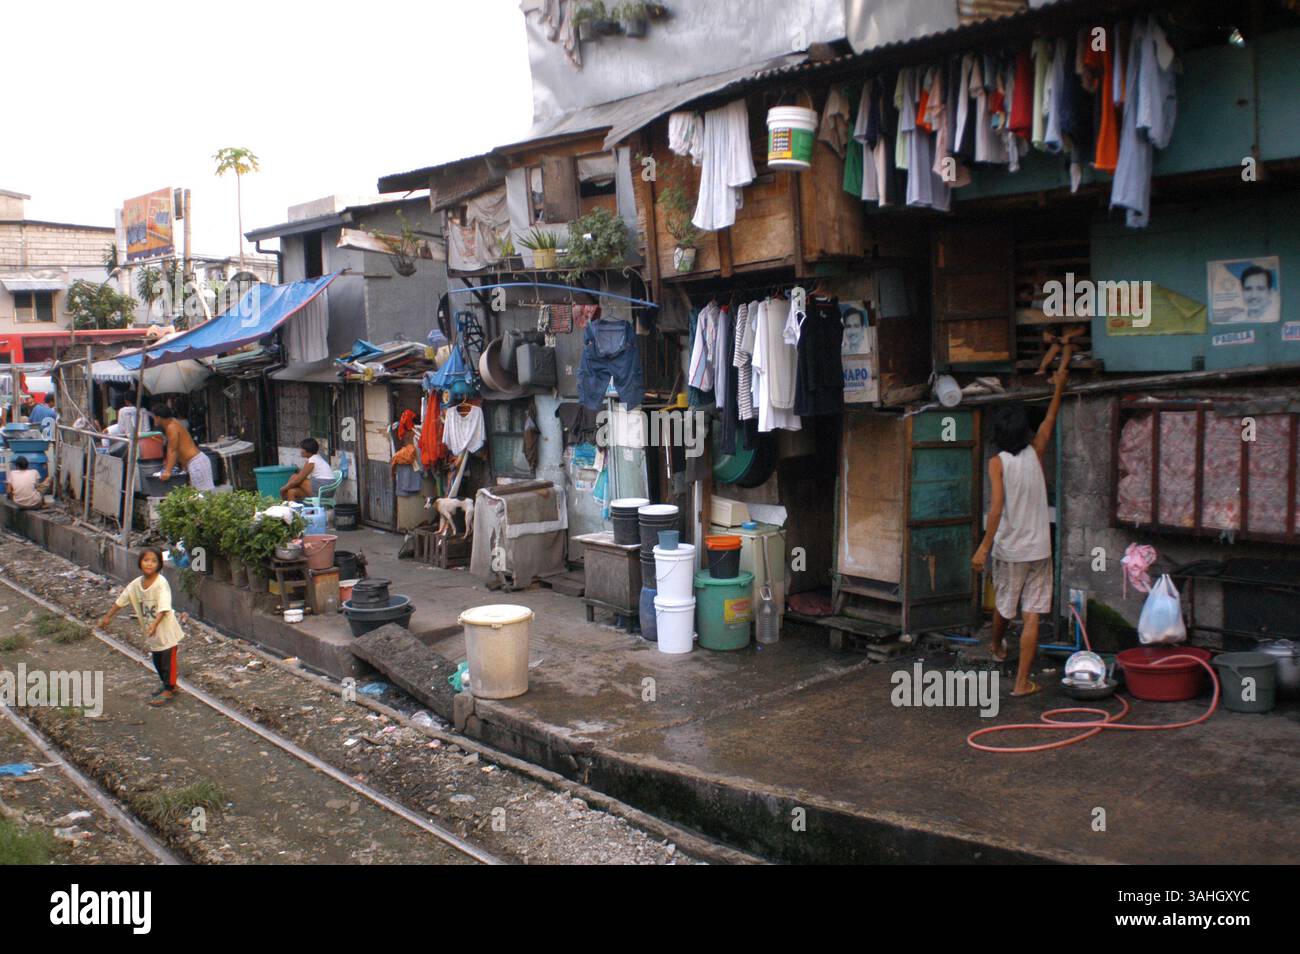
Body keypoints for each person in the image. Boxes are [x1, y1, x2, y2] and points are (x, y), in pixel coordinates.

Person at [971, 364, 1068, 698]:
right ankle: (1021, 683)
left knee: (1005, 603)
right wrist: (1058, 386)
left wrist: (984, 547)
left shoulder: (997, 463)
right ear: (1024, 431)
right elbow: (1050, 419)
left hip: (1011, 550)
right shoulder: (1036, 450)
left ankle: (997, 644)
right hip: (1040, 548)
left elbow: (996, 508)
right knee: (1032, 616)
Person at [99, 547, 185, 707]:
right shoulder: (136, 584)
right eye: (146, 560)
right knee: (157, 661)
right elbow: (121, 600)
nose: (149, 564)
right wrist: (108, 617)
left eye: (153, 561)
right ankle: (169, 685)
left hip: (165, 631)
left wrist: (154, 624)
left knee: (168, 661)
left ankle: (169, 689)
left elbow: (164, 607)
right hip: (151, 632)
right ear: (140, 562)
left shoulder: (161, 583)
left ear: (159, 564)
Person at [153, 403, 214, 491]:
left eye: (154, 417)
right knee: (198, 498)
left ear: (158, 417)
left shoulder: (172, 427)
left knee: (203, 498)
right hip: (193, 463)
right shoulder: (173, 422)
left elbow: (173, 450)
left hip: (197, 462)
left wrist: (167, 471)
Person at [280, 437, 334, 502]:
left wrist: (283, 489)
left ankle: (283, 497)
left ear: (308, 450)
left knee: (295, 477)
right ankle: (292, 510)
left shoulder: (312, 461)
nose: (301, 450)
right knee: (291, 492)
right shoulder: (314, 458)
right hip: (323, 488)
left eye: (303, 449)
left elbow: (298, 480)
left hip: (324, 489)